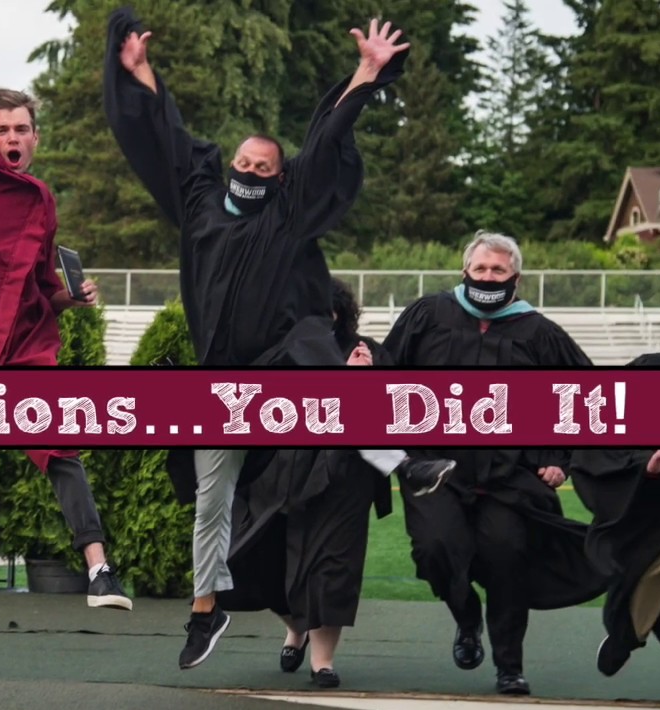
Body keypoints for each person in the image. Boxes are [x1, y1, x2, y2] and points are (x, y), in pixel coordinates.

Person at [102, 8, 454, 670]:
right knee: (213, 500)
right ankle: (204, 611)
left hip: (280, 368)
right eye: (243, 160)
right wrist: (144, 75)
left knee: (318, 358)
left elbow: (324, 147)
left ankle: (405, 462)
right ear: (228, 163)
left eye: (264, 165)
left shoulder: (286, 216)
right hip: (221, 385)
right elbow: (169, 141)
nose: (251, 169)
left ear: (277, 175)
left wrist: (365, 73)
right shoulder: (200, 205)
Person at [0, 0, 131, 611]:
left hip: (21, 339)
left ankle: (99, 569)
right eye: (2, 128)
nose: (11, 137)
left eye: (21, 130)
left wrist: (71, 297)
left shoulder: (41, 201)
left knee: (58, 442)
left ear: (35, 138)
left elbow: (39, 287)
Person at [382, 230, 609, 695]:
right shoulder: (428, 314)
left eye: (498, 270)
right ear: (464, 272)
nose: (489, 277)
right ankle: (467, 618)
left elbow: (588, 399)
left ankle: (510, 665)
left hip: (510, 476)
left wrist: (560, 459)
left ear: (516, 279)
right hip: (435, 469)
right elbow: (385, 378)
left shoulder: (539, 333)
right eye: (481, 269)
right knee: (435, 549)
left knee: (507, 557)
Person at [212, 279, 399, 689]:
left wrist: (359, 380)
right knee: (254, 559)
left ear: (337, 313)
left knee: (334, 567)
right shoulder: (283, 351)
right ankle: (296, 624)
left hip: (345, 478)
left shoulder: (366, 351)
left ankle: (322, 661)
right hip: (282, 474)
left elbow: (390, 410)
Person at [570, 350, 660, 677]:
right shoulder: (650, 373)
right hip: (652, 520)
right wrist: (649, 466)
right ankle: (627, 628)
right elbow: (600, 444)